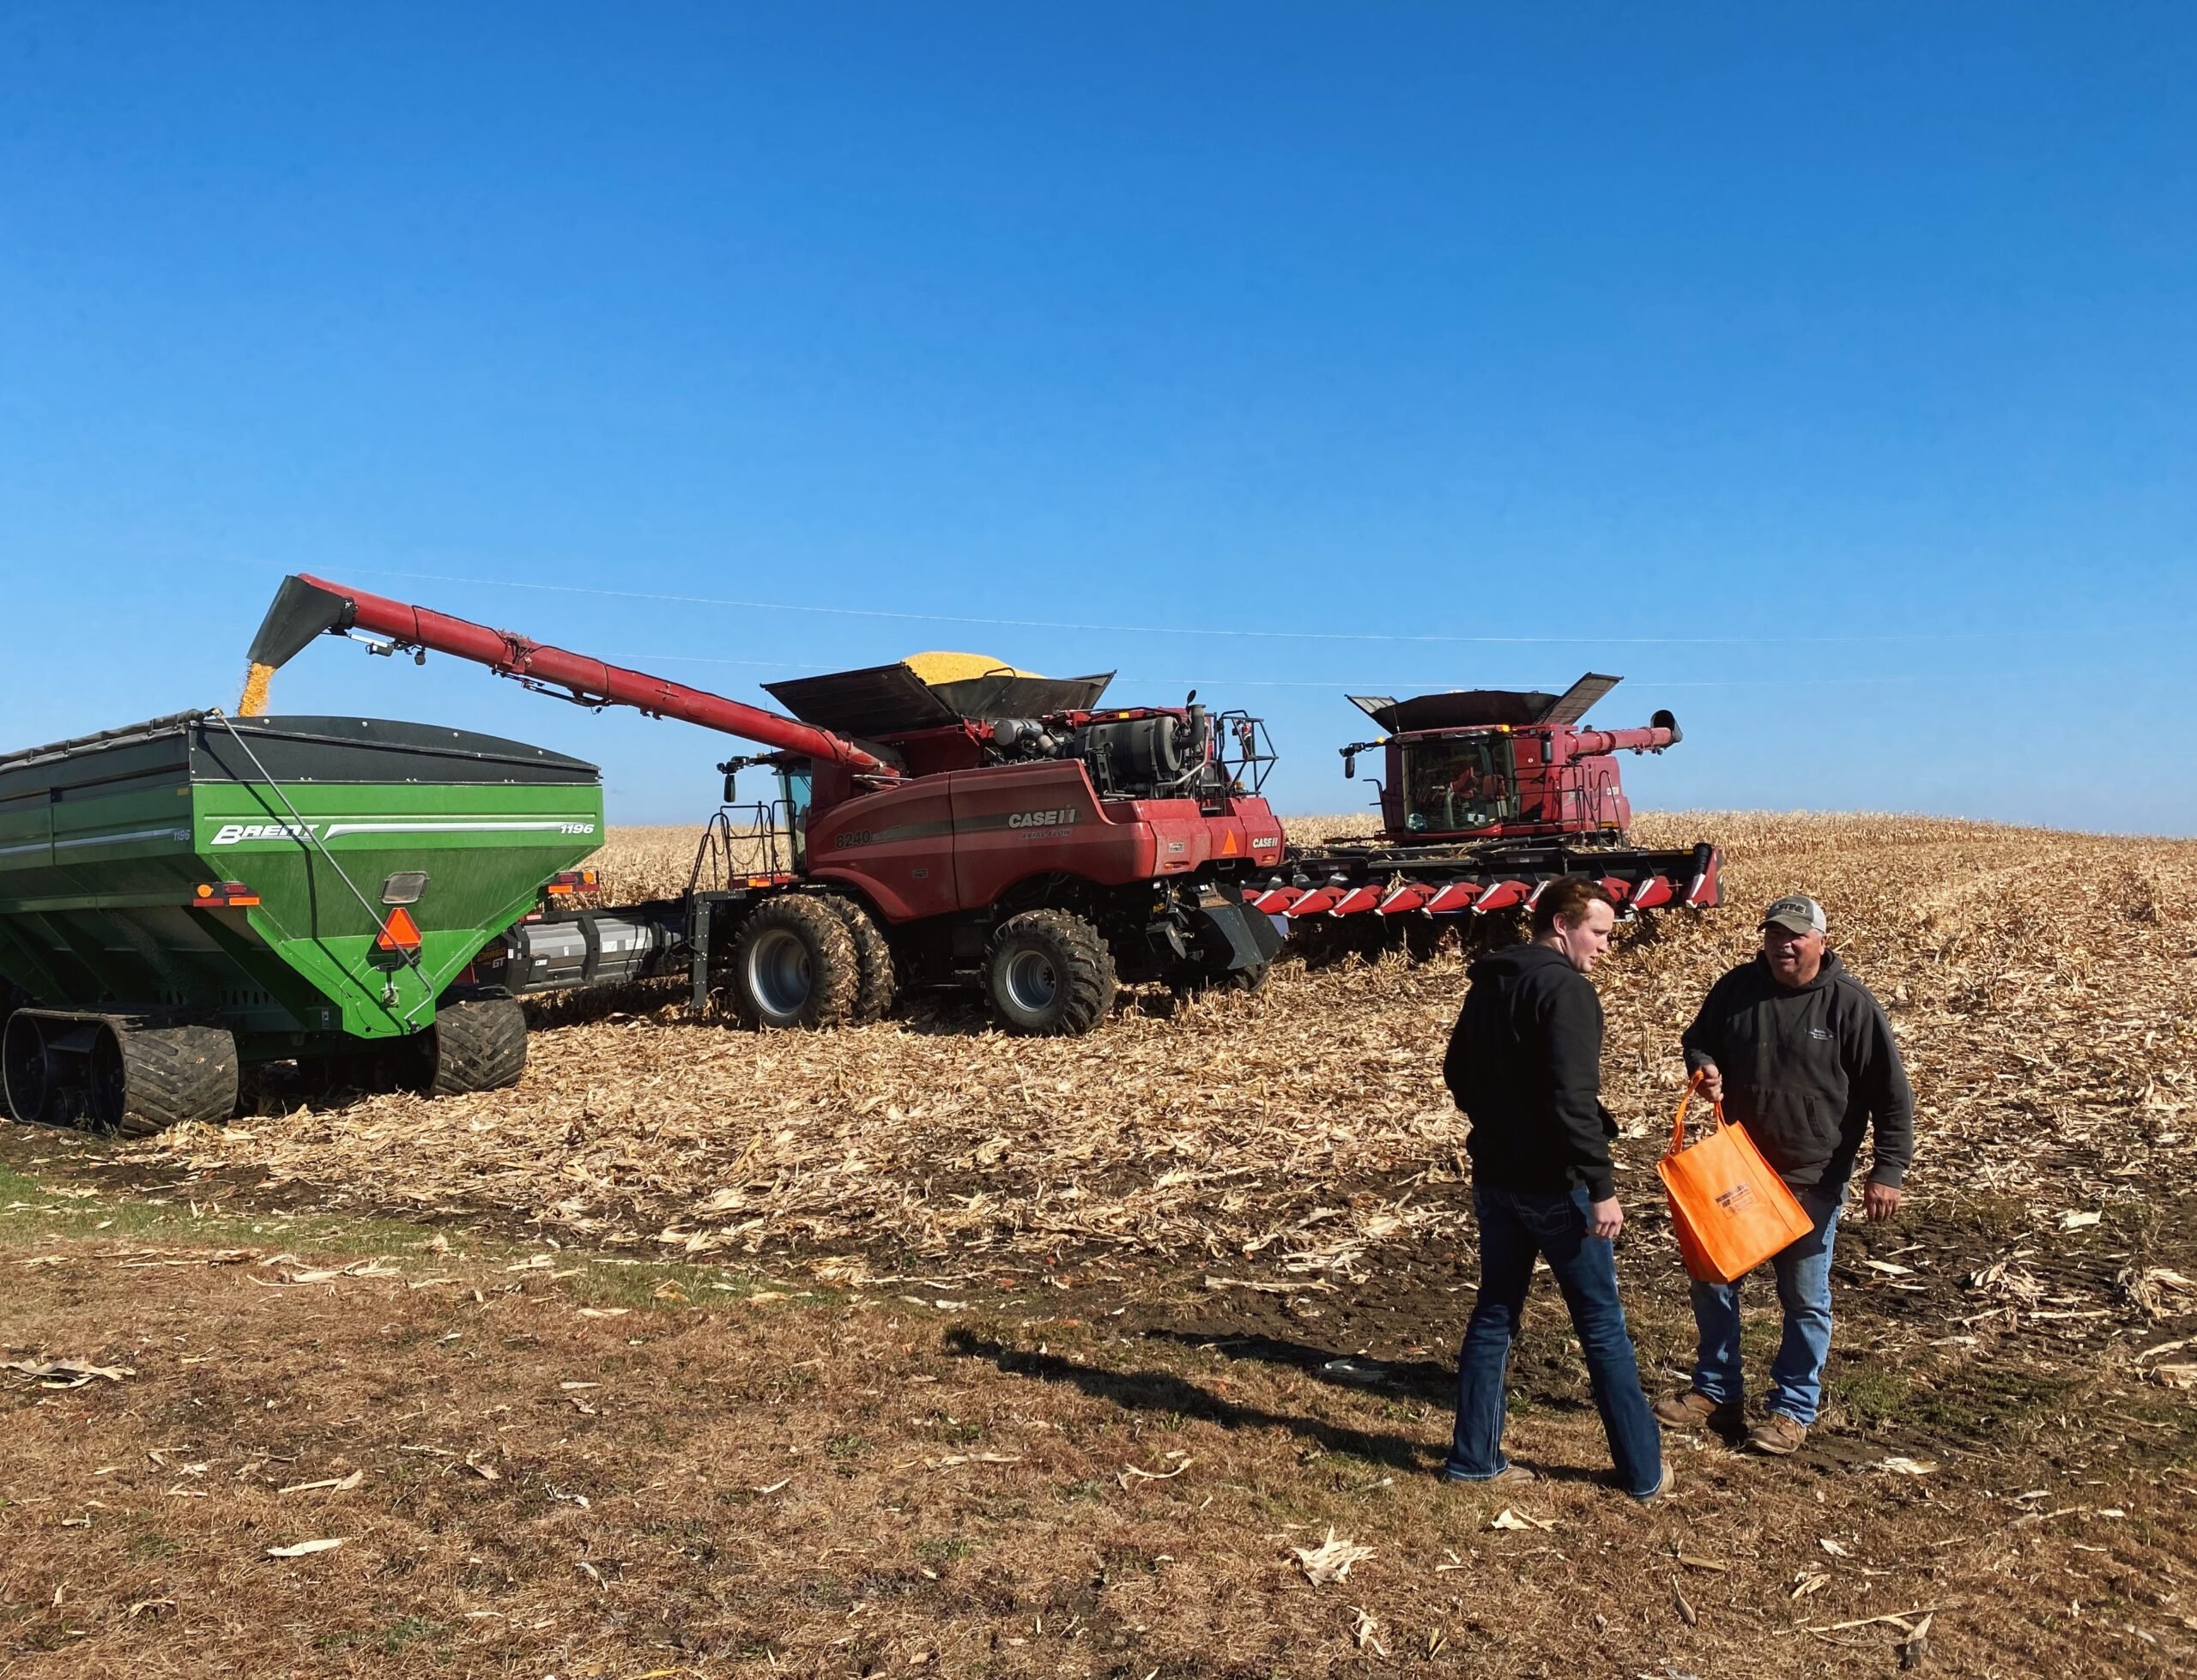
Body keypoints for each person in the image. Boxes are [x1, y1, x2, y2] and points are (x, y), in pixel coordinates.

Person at [1656, 893, 1916, 1455]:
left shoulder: (1850, 1005)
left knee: (1803, 1298)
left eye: (1796, 935)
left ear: (1821, 940)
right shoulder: (1737, 989)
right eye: (1775, 934)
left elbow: (1892, 1096)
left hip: (1812, 1177)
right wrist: (1704, 1066)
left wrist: (1889, 1168)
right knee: (1714, 1281)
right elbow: (1699, 1038)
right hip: (1740, 1168)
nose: (1784, 945)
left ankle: (1792, 1409)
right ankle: (1716, 1391)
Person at [1439, 877, 1670, 1500]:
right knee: (1601, 1324)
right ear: (1562, 925)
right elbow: (1574, 1100)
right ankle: (1643, 1473)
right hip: (1555, 1186)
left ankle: (1473, 1459)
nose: (1605, 946)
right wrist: (1601, 1185)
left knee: (1495, 1314)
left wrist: (1499, 1123)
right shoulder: (1566, 991)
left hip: (1496, 1177)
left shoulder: (1491, 981)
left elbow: (1456, 1070)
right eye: (1598, 932)